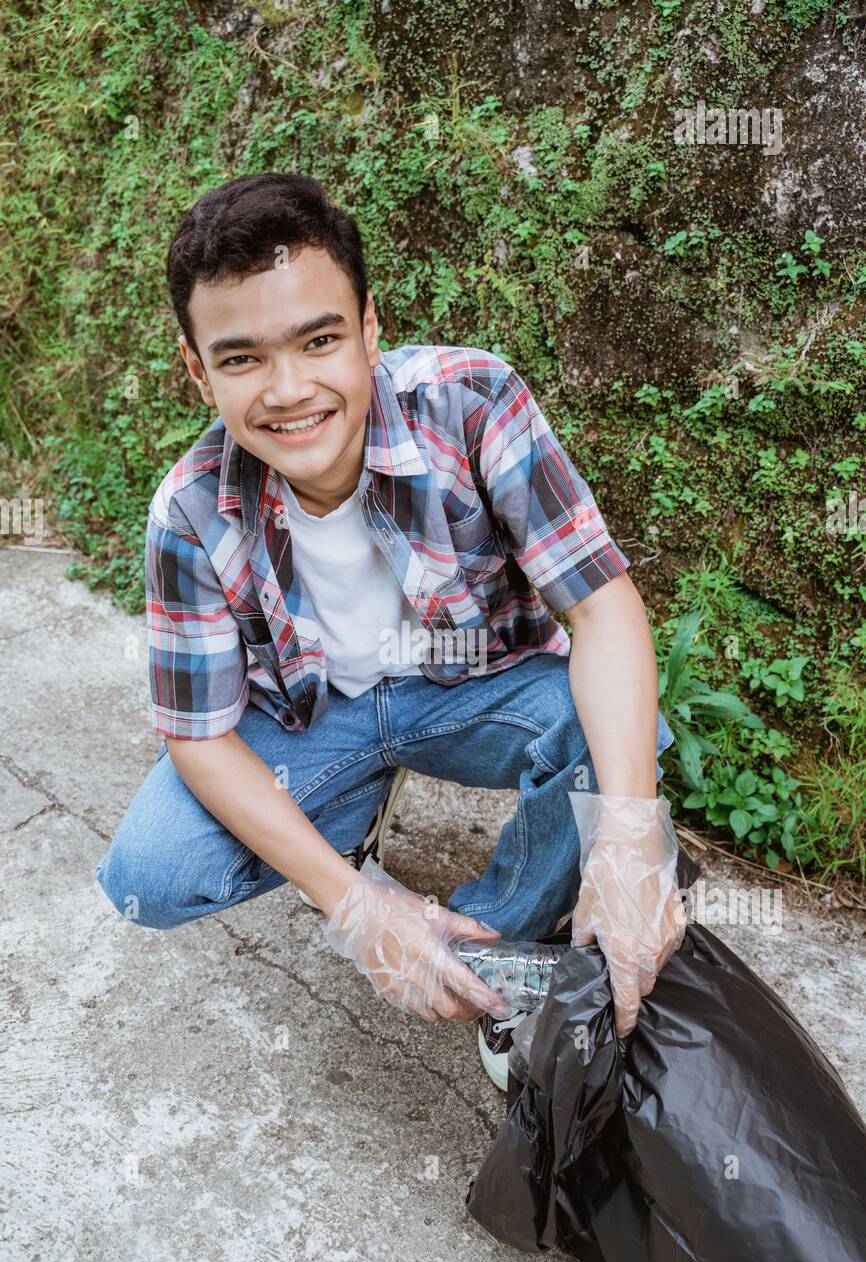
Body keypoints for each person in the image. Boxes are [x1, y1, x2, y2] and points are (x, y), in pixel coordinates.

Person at [95, 172, 683, 1088]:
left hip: (468, 683)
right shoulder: (189, 510)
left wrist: (631, 834)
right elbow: (198, 738)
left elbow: (602, 607)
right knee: (151, 872)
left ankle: (496, 956)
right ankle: (356, 836)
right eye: (242, 359)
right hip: (312, 716)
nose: (290, 391)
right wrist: (357, 905)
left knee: (619, 739)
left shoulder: (474, 400)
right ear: (196, 370)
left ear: (370, 329)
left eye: (320, 340)